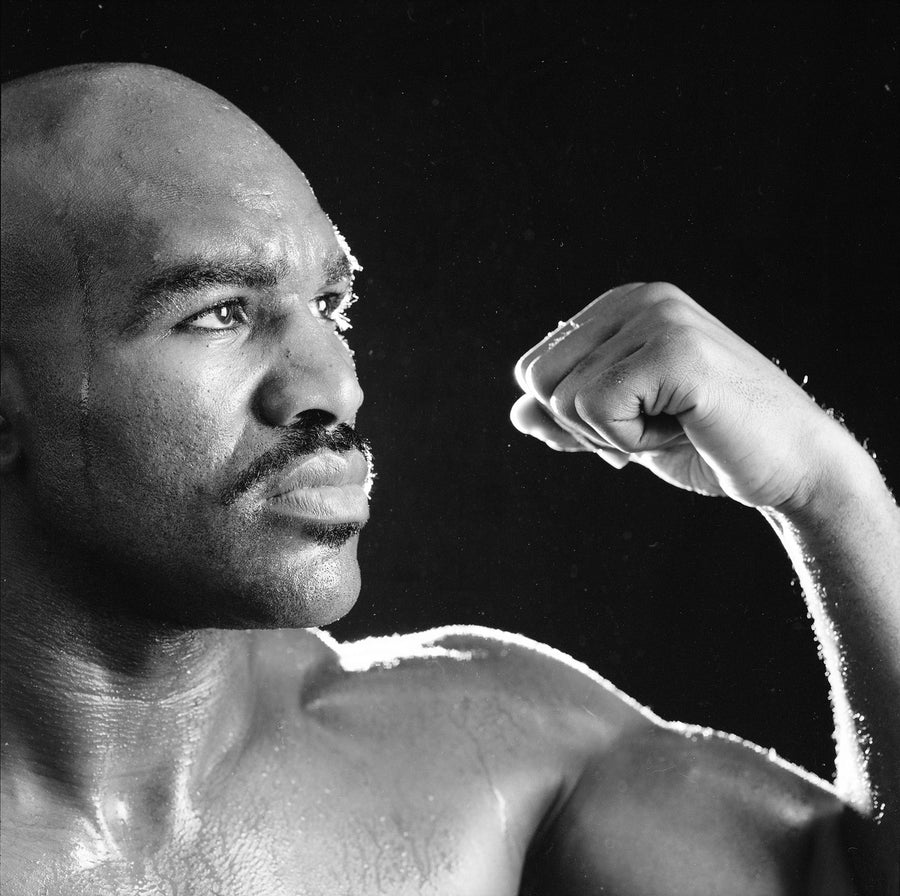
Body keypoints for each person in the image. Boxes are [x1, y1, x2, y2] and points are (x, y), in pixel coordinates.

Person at [0, 62, 896, 896]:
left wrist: (828, 494)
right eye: (219, 313)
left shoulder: (491, 757)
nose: (336, 387)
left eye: (330, 306)